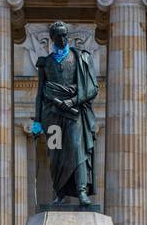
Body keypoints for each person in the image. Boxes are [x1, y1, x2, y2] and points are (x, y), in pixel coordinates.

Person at [31, 20, 98, 206]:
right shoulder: (45, 63)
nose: (62, 38)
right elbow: (40, 94)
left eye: (64, 35)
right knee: (55, 154)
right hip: (52, 116)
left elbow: (92, 88)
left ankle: (82, 191)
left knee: (77, 150)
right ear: (51, 39)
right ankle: (59, 193)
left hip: (73, 114)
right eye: (58, 36)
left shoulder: (81, 58)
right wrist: (37, 121)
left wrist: (72, 101)